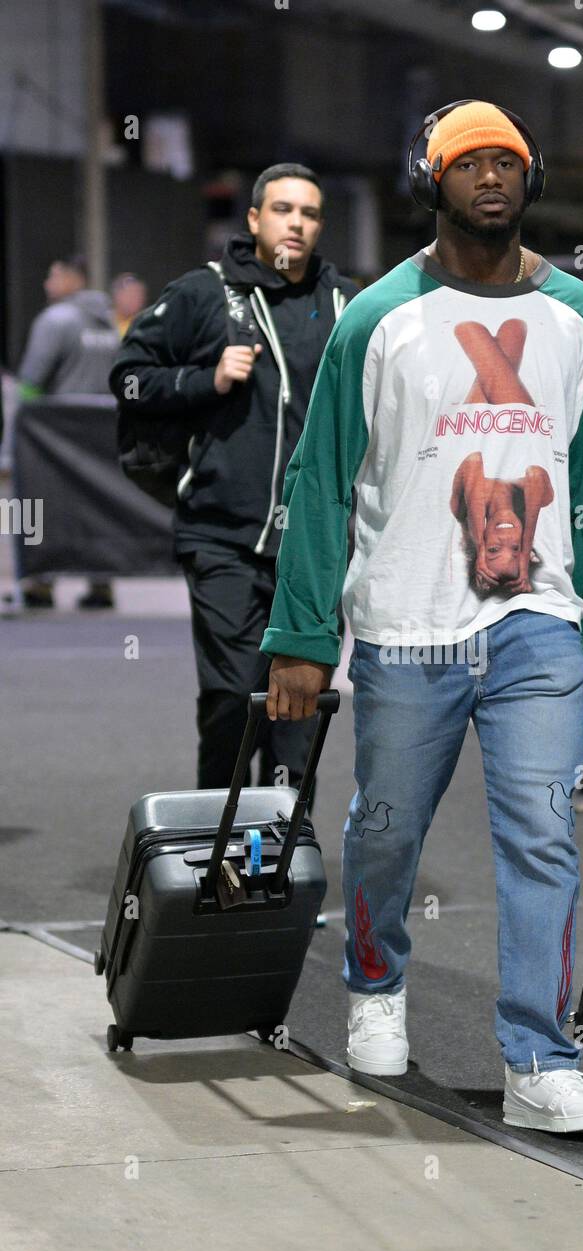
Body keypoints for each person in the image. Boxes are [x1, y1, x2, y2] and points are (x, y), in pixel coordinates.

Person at [262, 102, 583, 1134]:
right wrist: (303, 639)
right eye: (467, 162)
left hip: (539, 622)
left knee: (540, 840)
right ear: (429, 180)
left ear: (529, 178)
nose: (490, 176)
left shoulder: (573, 312)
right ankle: (376, 983)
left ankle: (539, 1061)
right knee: (385, 833)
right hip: (405, 626)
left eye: (507, 161)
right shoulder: (376, 319)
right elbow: (320, 485)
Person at [111, 163, 357, 790]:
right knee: (231, 694)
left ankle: (280, 852)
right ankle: (210, 836)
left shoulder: (346, 305)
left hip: (314, 545)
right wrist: (206, 379)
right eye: (282, 210)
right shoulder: (205, 292)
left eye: (308, 213)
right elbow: (129, 376)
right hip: (221, 533)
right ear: (254, 219)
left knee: (297, 711)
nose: (295, 223)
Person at [17, 254, 120, 610]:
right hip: (100, 434)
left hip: (53, 436)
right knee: (98, 505)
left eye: (52, 275)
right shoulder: (108, 323)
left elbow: (30, 383)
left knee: (37, 504)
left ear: (71, 278)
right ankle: (102, 584)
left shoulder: (55, 319)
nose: (47, 284)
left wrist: (19, 425)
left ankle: (39, 582)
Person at [111, 273, 148, 338]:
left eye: (137, 295)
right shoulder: (104, 321)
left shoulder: (146, 325)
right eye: (129, 294)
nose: (133, 299)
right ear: (116, 296)